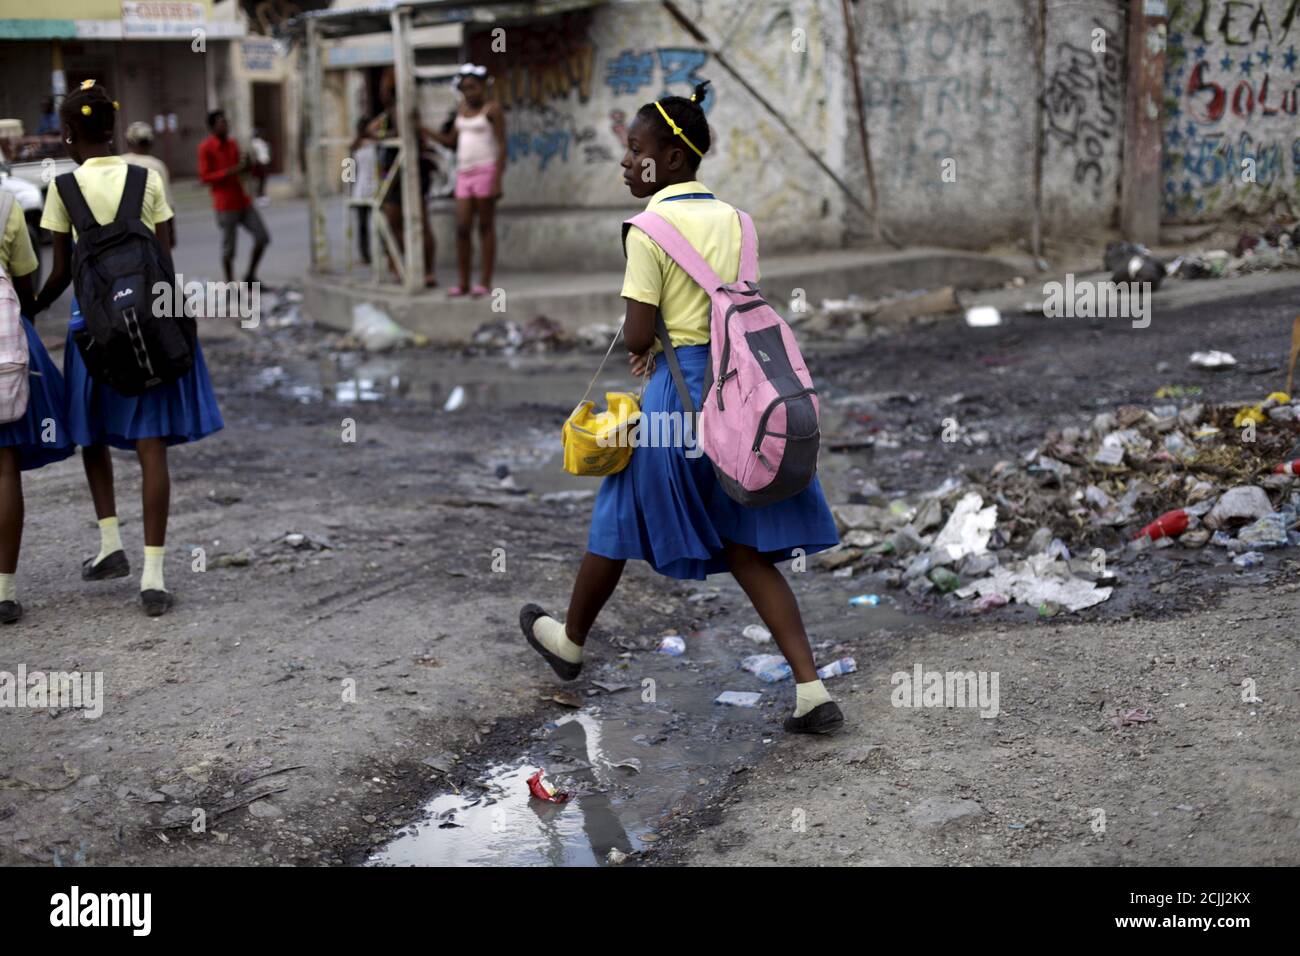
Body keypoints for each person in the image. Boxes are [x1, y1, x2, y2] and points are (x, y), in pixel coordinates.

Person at [517, 80, 844, 734]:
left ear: (668, 160)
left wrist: (646, 345)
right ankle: (812, 690)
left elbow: (639, 335)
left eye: (634, 149)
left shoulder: (648, 231)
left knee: (614, 514)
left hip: (678, 397)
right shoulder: (737, 222)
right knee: (748, 547)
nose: (625, 162)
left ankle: (571, 642)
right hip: (741, 396)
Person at [31, 80, 224, 617]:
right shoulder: (147, 178)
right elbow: (165, 258)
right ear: (113, 130)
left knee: (92, 435)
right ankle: (154, 575)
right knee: (151, 446)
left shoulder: (63, 189)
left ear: (69, 135)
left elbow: (62, 274)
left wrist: (29, 308)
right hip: (150, 327)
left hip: (91, 333)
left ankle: (110, 543)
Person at [0, 173, 76, 623]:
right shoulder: (6, 203)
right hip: (4, 345)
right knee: (5, 464)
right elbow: (27, 282)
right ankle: (4, 591)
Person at [430, 64, 506, 298]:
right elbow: (451, 141)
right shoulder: (461, 110)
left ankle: (484, 281)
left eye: (472, 87)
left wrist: (497, 180)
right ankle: (463, 282)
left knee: (485, 226)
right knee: (462, 227)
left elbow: (502, 145)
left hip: (486, 171)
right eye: (464, 89)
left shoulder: (492, 110)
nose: (469, 93)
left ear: (482, 86)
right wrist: (424, 131)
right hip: (464, 174)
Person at [366, 70, 436, 287]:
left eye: (386, 88)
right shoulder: (388, 114)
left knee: (420, 220)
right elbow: (371, 131)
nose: (382, 92)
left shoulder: (408, 109)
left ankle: (426, 269)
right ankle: (402, 264)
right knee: (392, 218)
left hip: (412, 169)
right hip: (391, 170)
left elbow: (415, 135)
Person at [197, 109, 269, 283]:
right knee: (229, 249)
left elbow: (242, 171)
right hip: (225, 204)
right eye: (221, 123)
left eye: (226, 122)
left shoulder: (232, 144)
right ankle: (230, 284)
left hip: (241, 200)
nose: (225, 126)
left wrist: (248, 166)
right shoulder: (206, 148)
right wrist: (230, 172)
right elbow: (205, 177)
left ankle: (250, 275)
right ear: (212, 127)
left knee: (262, 237)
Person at [121, 121, 176, 247]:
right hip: (152, 229)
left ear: (128, 141)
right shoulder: (157, 165)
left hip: (124, 231)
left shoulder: (119, 162)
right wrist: (171, 233)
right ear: (150, 142)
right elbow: (167, 203)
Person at [350, 117, 377, 266]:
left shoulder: (378, 144)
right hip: (360, 189)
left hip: (376, 188)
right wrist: (348, 189)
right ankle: (365, 254)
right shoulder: (355, 146)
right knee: (362, 226)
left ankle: (382, 253)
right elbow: (348, 170)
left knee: (379, 224)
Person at [249, 125, 271, 206]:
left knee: (263, 181)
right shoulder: (254, 142)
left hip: (264, 162)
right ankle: (259, 197)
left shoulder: (262, 142)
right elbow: (255, 154)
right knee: (259, 181)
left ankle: (262, 196)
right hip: (259, 164)